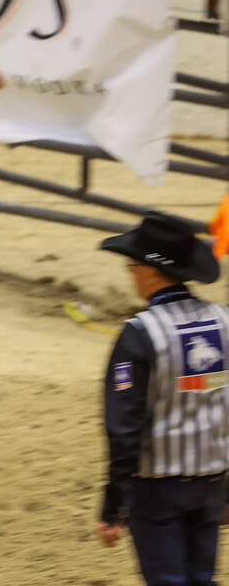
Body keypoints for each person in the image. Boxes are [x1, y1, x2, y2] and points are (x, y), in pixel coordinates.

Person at [96, 210, 229, 586]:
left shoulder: (140, 334)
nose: (130, 272)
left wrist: (112, 504)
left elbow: (123, 426)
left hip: (158, 487)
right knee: (201, 579)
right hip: (212, 482)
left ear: (152, 272)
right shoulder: (224, 321)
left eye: (132, 265)